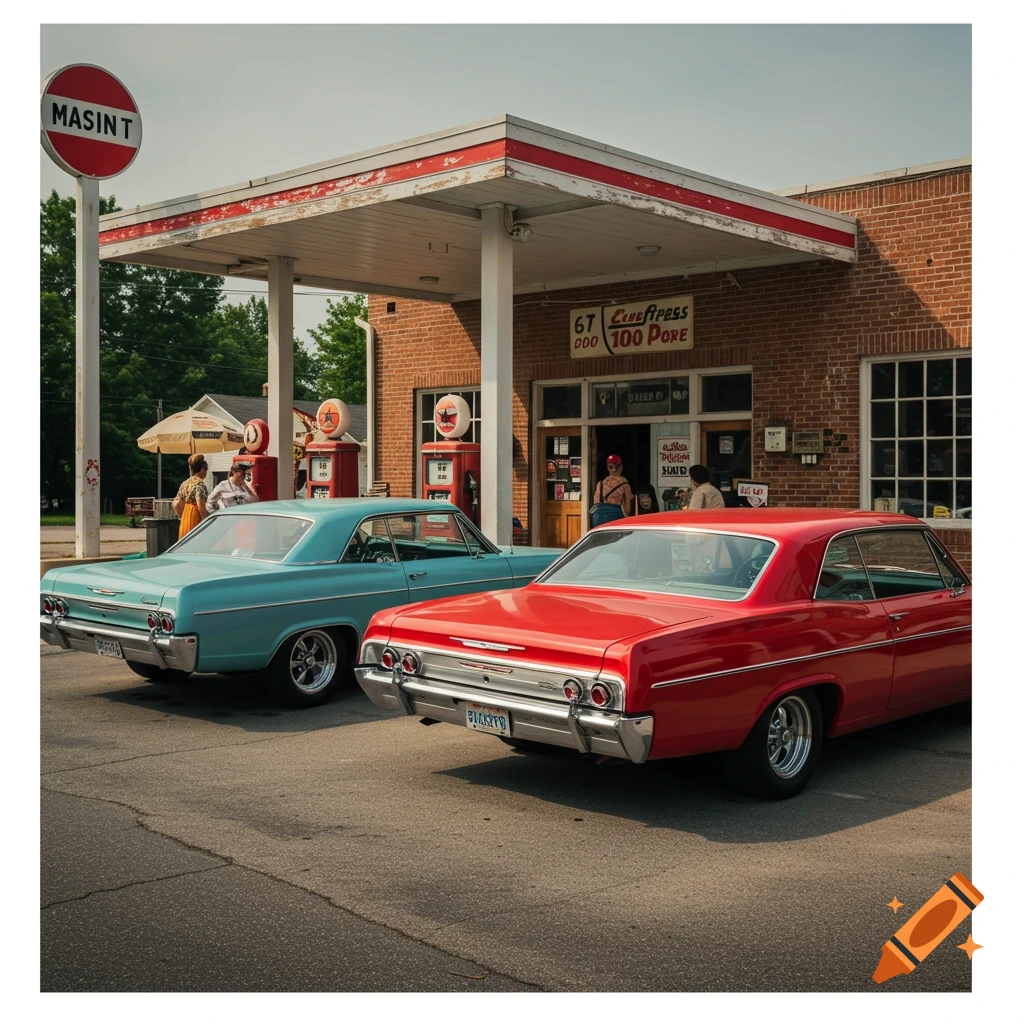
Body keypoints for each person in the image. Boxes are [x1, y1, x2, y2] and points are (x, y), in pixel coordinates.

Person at [173, 454, 210, 539]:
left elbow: (176, 503)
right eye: (206, 470)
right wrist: (206, 521)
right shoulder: (199, 484)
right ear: (202, 469)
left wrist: (183, 515)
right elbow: (201, 505)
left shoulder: (185, 483)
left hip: (185, 518)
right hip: (195, 517)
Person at [591, 454, 634, 526]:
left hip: (597, 517)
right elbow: (628, 506)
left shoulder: (600, 483)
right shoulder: (624, 482)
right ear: (621, 467)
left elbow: (596, 501)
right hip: (614, 517)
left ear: (608, 467)